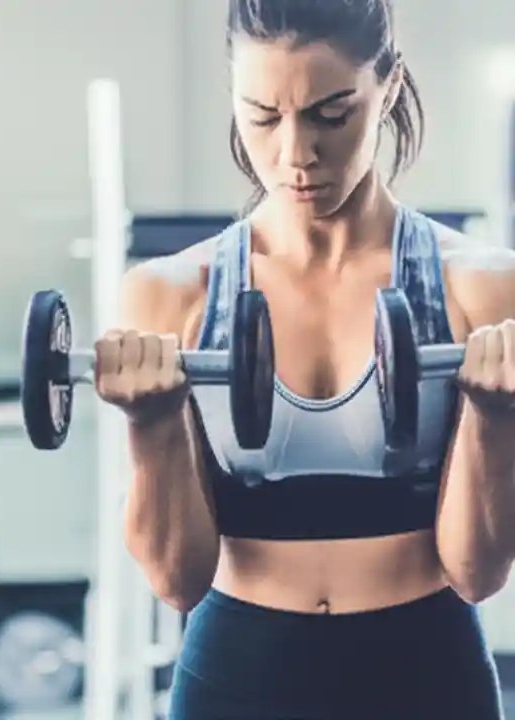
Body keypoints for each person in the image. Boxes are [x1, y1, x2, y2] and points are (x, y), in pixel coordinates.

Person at [94, 0, 515, 717]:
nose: (295, 155)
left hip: (426, 667)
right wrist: (151, 423)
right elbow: (176, 581)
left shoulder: (480, 286)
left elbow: (476, 573)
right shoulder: (169, 295)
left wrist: (493, 412)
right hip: (238, 671)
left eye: (331, 113)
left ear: (387, 86)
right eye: (262, 115)